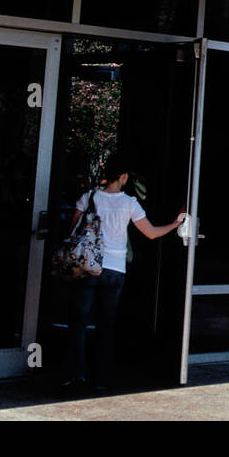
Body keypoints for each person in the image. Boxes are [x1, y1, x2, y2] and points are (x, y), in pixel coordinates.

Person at [63, 154, 186, 392]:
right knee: (106, 325)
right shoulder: (129, 203)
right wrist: (175, 224)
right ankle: (101, 378)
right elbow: (150, 233)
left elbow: (73, 231)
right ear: (123, 177)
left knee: (78, 322)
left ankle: (74, 374)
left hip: (87, 267)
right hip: (115, 269)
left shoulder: (88, 198)